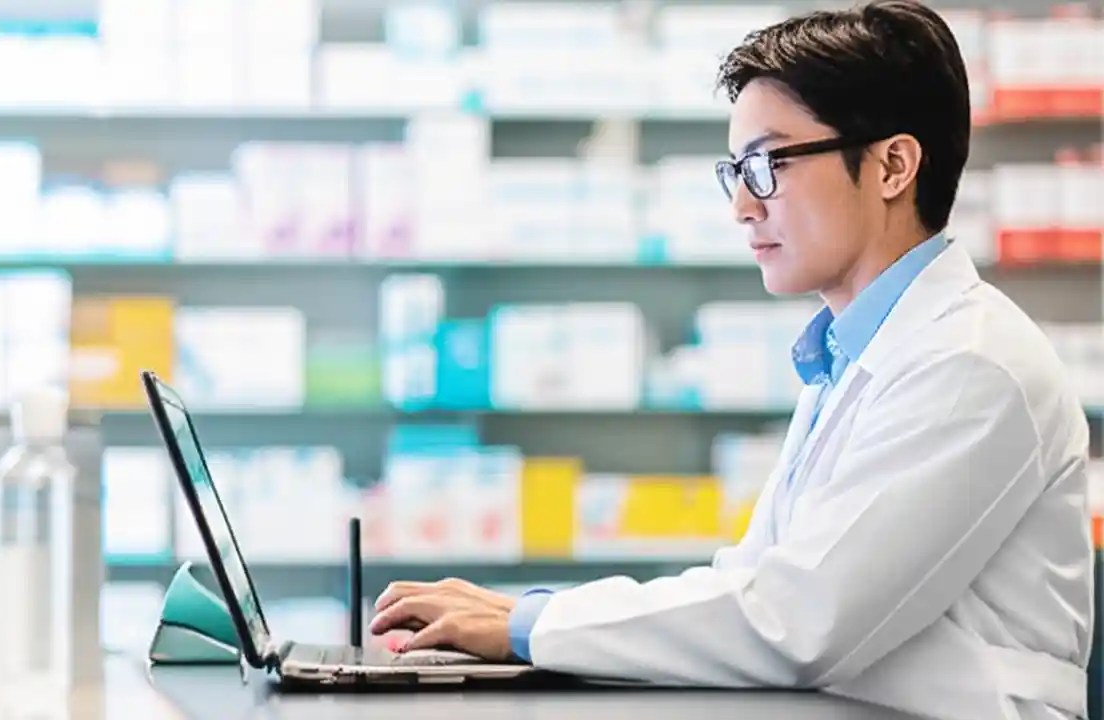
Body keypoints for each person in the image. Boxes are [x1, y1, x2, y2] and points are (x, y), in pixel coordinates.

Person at [368, 1, 1094, 718]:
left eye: (769, 163)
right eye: (736, 170)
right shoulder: (856, 351)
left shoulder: (970, 366)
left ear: (892, 167)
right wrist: (530, 616)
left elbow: (799, 622)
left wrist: (528, 626)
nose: (743, 205)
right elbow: (755, 587)